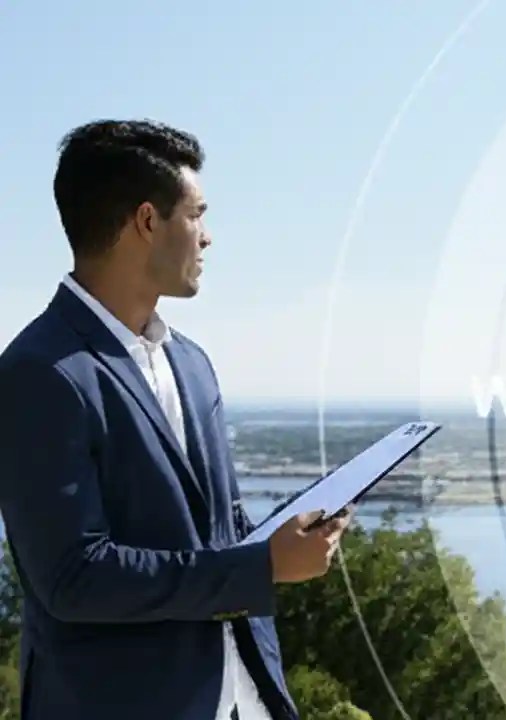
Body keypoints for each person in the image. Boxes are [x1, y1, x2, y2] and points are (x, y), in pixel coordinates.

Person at [0, 119, 352, 719]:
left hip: (245, 694)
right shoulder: (39, 372)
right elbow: (74, 577)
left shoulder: (191, 362)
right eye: (197, 215)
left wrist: (288, 535)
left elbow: (219, 525)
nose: (208, 238)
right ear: (145, 222)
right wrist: (262, 567)